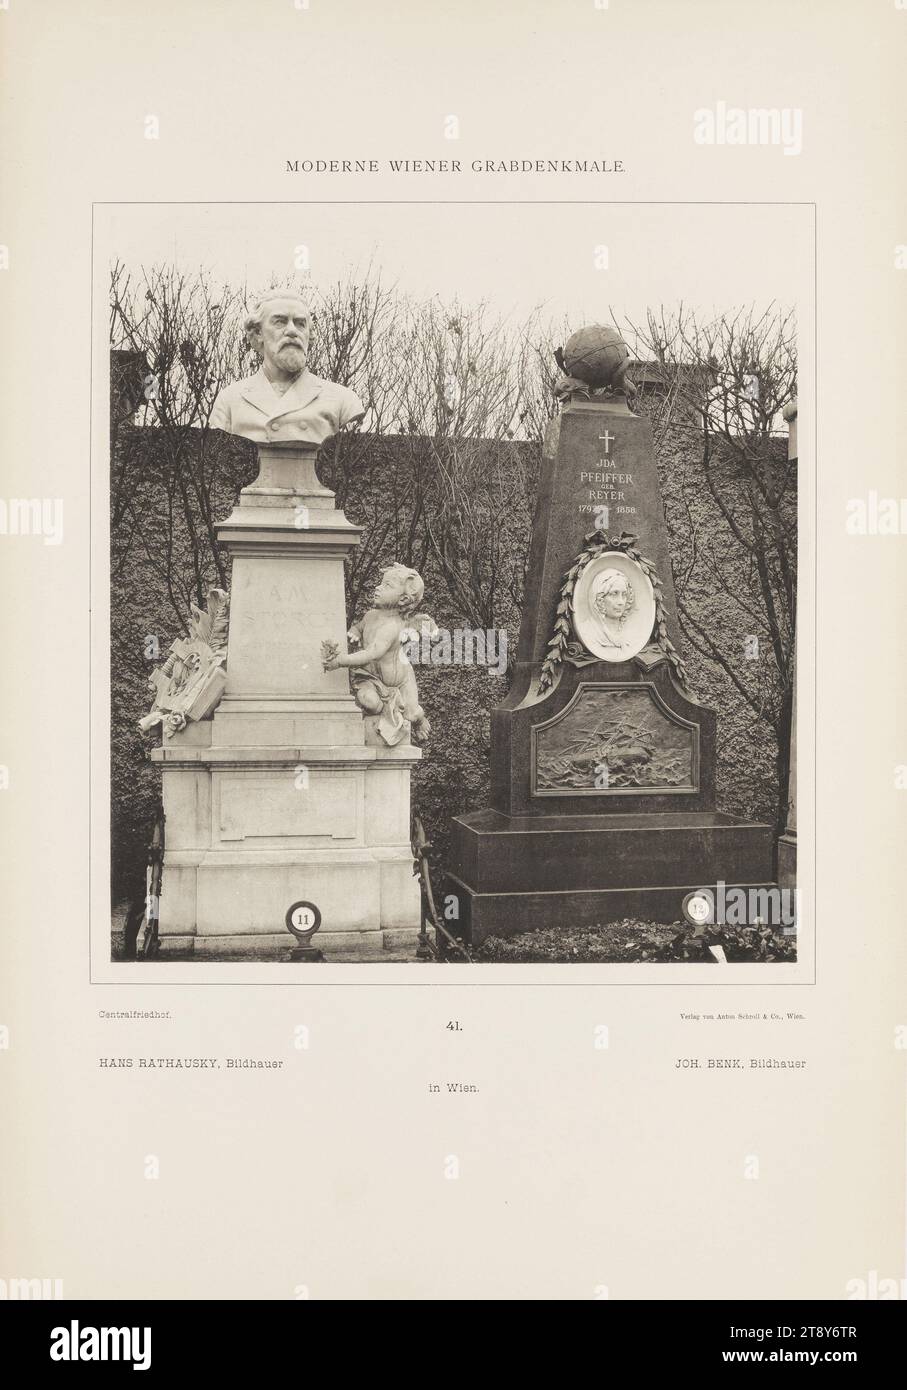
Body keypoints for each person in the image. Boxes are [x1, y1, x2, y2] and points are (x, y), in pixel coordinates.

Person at [211, 290, 364, 444]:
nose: (292, 331)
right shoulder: (230, 401)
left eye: (300, 324)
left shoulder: (344, 401)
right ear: (258, 333)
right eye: (280, 322)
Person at [322, 564, 433, 746]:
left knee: (412, 714)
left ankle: (420, 719)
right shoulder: (371, 615)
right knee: (370, 702)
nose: (378, 588)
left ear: (403, 599)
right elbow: (360, 626)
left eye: (387, 586)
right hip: (371, 678)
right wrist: (355, 631)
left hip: (401, 680)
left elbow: (371, 653)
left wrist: (340, 661)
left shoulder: (392, 627)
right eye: (381, 584)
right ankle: (386, 712)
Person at [592, 568, 634, 649]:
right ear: (600, 598)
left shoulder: (633, 634)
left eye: (624, 594)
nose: (621, 602)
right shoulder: (589, 633)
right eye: (614, 594)